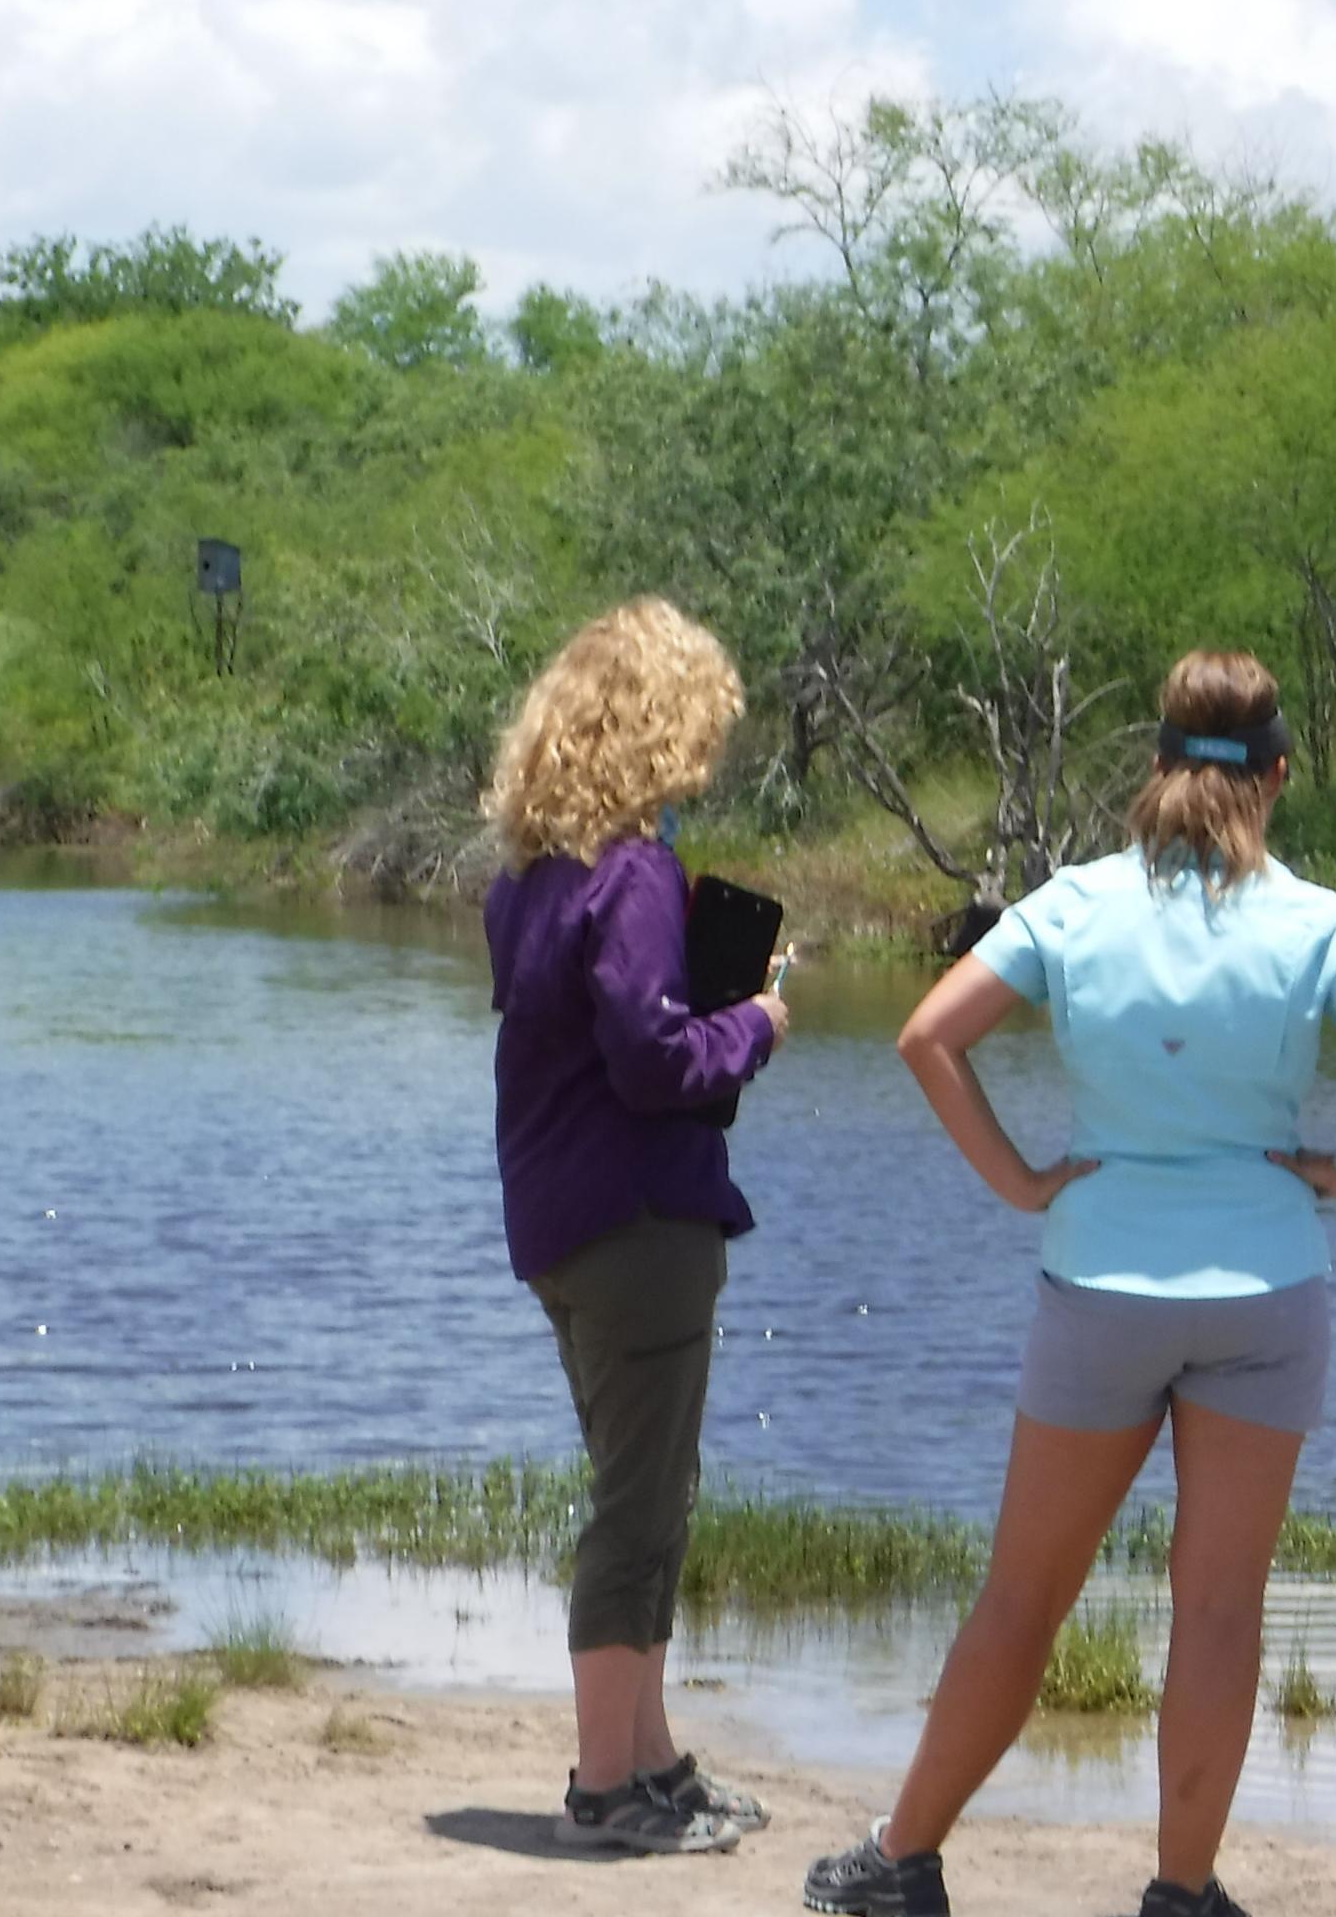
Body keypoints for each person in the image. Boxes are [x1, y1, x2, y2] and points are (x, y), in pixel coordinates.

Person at [801, 650, 1336, 1917]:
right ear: (1275, 775)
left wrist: (1018, 1178)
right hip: (1265, 1287)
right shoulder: (1312, 920)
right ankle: (1179, 1891)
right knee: (1215, 1611)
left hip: (1097, 1283)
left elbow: (926, 1037)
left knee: (1023, 1593)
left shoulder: (1072, 906)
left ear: (1154, 767)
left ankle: (900, 1862)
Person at [480, 597, 792, 1854]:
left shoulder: (533, 878)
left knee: (652, 1489)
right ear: (662, 732)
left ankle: (651, 1758)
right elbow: (656, 1056)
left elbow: (598, 1027)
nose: (708, 758)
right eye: (701, 730)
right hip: (638, 1218)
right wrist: (757, 1025)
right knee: (637, 1505)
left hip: (558, 1219)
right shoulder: (634, 871)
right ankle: (606, 1784)